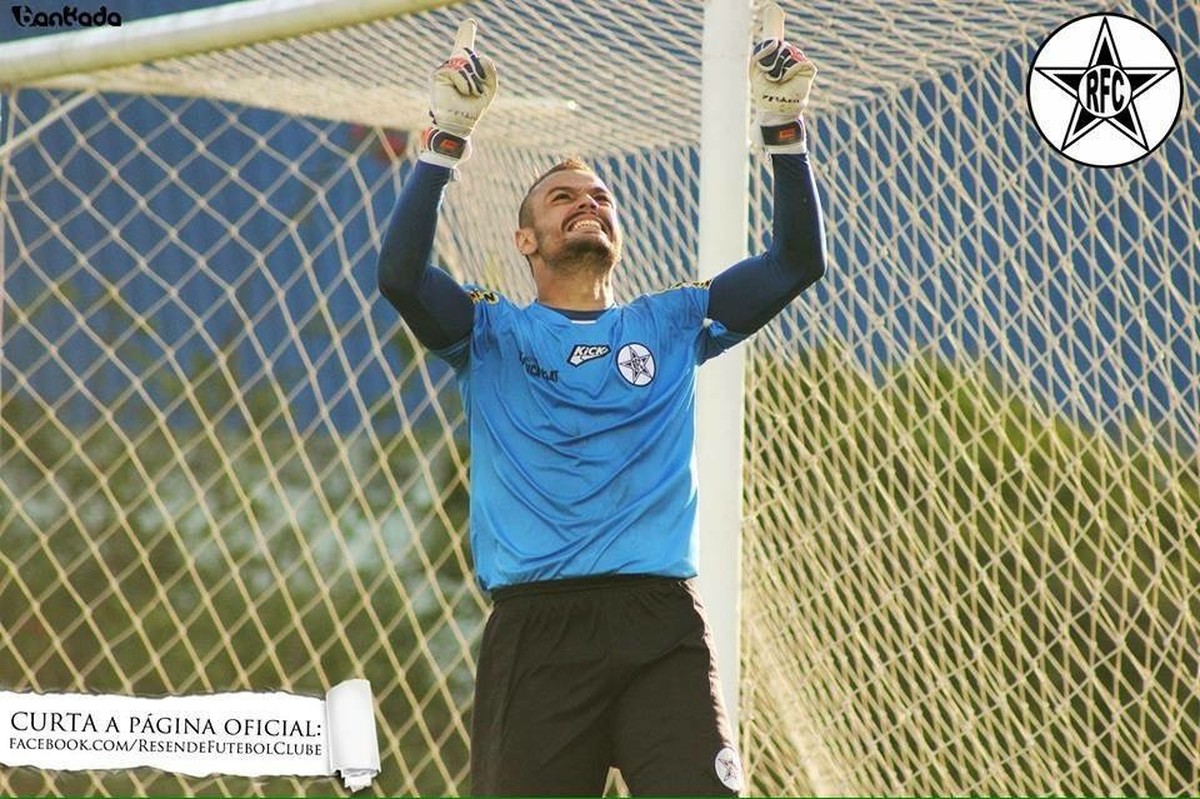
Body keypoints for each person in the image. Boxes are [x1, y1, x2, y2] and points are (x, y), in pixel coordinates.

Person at [377, 6, 826, 795]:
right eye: (561, 197)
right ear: (525, 240)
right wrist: (446, 138)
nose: (586, 202)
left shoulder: (674, 321)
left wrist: (783, 127)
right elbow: (401, 277)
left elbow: (795, 262)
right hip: (538, 629)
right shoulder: (490, 332)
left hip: (661, 621)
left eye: (599, 196)